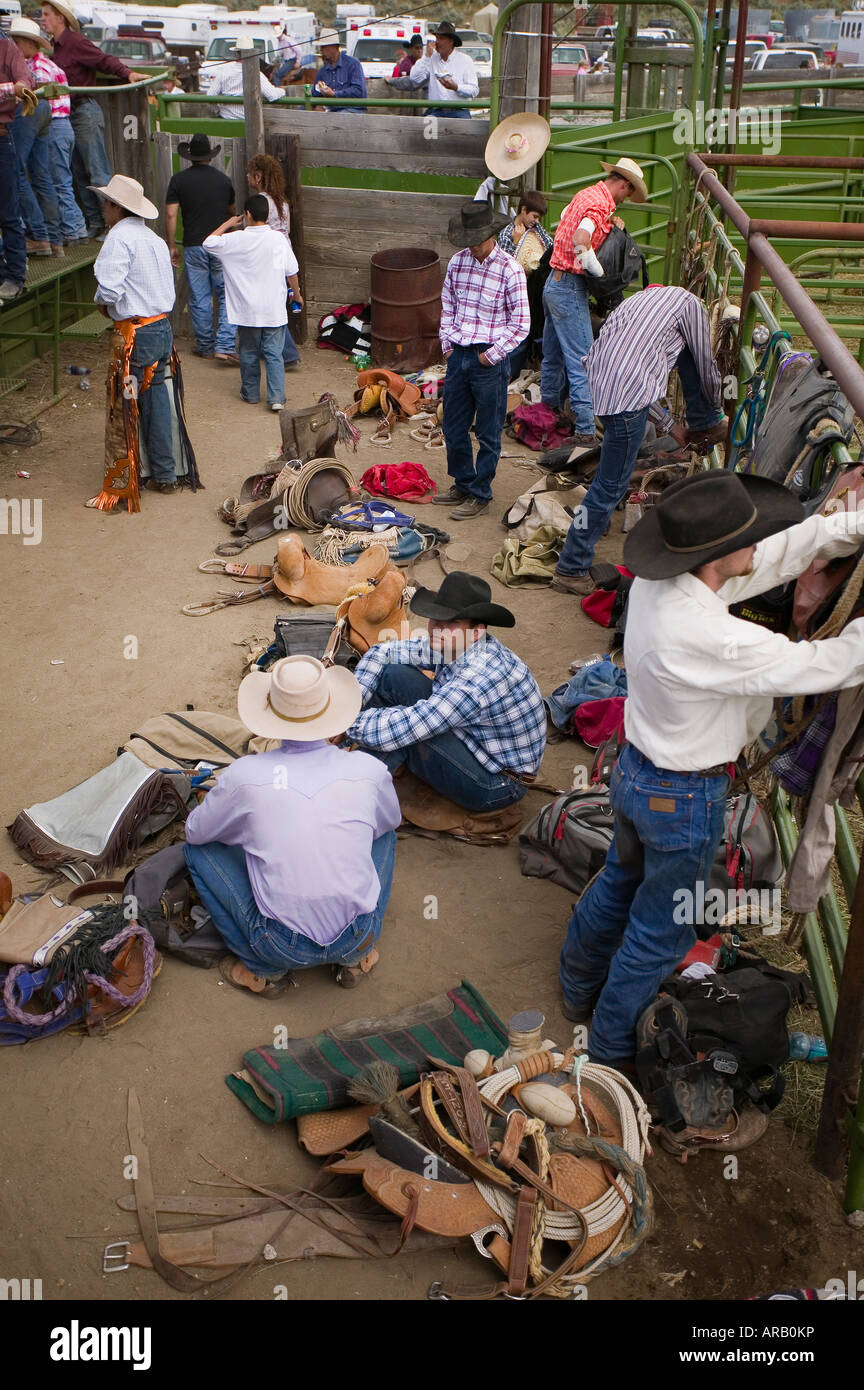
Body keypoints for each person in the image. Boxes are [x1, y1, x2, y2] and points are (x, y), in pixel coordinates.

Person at [559, 468, 864, 1069]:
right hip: (684, 798)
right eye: (747, 537)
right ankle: (612, 1060)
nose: (759, 543)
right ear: (718, 556)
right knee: (660, 933)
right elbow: (825, 664)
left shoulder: (660, 584)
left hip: (636, 773)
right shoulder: (710, 635)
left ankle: (575, 992)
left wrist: (847, 528)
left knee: (620, 883)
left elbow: (773, 555)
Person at [184, 655, 400, 997]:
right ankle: (355, 957)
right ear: (330, 712)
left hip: (280, 945)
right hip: (358, 932)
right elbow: (388, 823)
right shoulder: (369, 769)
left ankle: (262, 969)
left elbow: (195, 832)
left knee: (196, 851)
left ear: (270, 715)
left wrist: (248, 828)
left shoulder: (245, 775)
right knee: (385, 835)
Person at [550, 284, 727, 595]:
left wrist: (672, 426)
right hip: (625, 400)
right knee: (608, 487)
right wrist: (718, 407)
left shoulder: (639, 303)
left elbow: (635, 376)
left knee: (606, 483)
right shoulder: (691, 307)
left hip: (605, 389)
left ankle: (580, 545)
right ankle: (570, 566)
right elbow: (706, 367)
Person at [348, 572, 546, 814]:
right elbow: (383, 652)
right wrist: (351, 704)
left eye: (451, 622)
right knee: (392, 675)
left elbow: (406, 727)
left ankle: (352, 793)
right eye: (435, 618)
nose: (437, 628)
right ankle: (357, 758)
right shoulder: (456, 644)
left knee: (406, 734)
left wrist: (343, 722)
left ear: (476, 632)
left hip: (498, 782)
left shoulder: (478, 679)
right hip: (472, 742)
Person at [433, 201, 530, 520]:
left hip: (488, 357)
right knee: (453, 424)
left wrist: (491, 355)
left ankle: (480, 492)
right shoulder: (458, 263)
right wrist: (447, 344)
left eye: (477, 240)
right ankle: (463, 482)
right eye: (468, 240)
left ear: (491, 235)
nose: (472, 246)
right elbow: (447, 305)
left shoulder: (510, 270)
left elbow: (521, 323)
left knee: (488, 432)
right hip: (459, 354)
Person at [540, 157, 646, 445]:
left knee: (552, 355)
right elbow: (581, 235)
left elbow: (568, 219)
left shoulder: (586, 194)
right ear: (623, 185)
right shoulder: (600, 204)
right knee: (582, 360)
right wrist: (596, 268)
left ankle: (546, 413)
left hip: (553, 282)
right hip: (571, 287)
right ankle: (586, 428)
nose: (626, 198)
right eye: (628, 193)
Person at [92, 174, 181, 495]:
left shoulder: (118, 240)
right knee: (156, 400)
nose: (103, 208)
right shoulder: (155, 240)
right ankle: (165, 473)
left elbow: (109, 292)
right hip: (160, 332)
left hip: (135, 336)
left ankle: (126, 481)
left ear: (116, 208)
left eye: (106, 203)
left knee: (126, 402)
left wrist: (103, 306)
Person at [40, 0, 148, 240]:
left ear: (60, 18)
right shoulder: (56, 47)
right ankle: (97, 222)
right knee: (79, 172)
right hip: (71, 113)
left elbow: (104, 60)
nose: (43, 19)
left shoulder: (75, 43)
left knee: (96, 171)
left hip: (84, 111)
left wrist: (128, 73)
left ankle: (111, 225)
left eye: (46, 14)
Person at [203, 193, 301, 412]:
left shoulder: (235, 238)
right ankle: (276, 398)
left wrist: (229, 223)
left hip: (246, 309)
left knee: (248, 351)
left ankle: (251, 393)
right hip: (273, 308)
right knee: (274, 354)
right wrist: (297, 295)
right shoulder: (278, 239)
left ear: (247, 214)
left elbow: (208, 243)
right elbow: (292, 271)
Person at [10, 15, 87, 249]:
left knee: (18, 171)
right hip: (53, 120)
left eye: (17, 42)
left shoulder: (33, 67)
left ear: (29, 44)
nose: (13, 46)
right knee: (45, 176)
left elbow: (32, 93)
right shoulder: (47, 64)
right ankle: (55, 238)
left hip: (42, 115)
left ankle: (41, 233)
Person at [165, 132, 238, 363]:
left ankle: (205, 345)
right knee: (227, 296)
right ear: (210, 156)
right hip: (220, 244)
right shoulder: (223, 181)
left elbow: (170, 214)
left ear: (190, 157)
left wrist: (171, 245)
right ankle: (225, 345)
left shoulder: (178, 180)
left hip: (194, 244)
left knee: (199, 297)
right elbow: (231, 211)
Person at [247, 152, 301, 369]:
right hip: (283, 256)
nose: (248, 178)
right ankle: (280, 351)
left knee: (268, 308)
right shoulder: (282, 202)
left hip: (265, 259)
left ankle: (287, 353)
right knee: (275, 305)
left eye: (250, 175)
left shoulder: (260, 203)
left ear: (258, 176)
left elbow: (253, 233)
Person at [0, 35, 32, 302]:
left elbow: (25, 80)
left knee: (9, 211)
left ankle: (14, 276)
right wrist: (15, 88)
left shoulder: (7, 48)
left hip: (1, 134)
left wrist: (17, 87)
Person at [392, 21, 478, 118]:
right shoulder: (430, 59)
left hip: (459, 110)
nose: (437, 42)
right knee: (424, 125)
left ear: (451, 41)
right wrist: (426, 56)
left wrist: (456, 87)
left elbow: (474, 90)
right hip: (436, 111)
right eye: (436, 38)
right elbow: (415, 78)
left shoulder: (465, 60)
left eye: (441, 38)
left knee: (464, 128)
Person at [208, 35, 286, 121]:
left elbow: (210, 96)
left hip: (225, 118)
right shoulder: (256, 74)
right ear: (252, 54)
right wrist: (282, 91)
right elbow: (272, 95)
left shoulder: (223, 72)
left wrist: (217, 111)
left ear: (236, 53)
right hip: (250, 123)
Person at [311, 29, 366, 114]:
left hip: (352, 109)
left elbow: (358, 90)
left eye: (323, 47)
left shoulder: (352, 64)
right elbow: (315, 93)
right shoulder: (323, 71)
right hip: (331, 110)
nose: (321, 50)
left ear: (333, 47)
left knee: (340, 117)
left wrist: (334, 94)